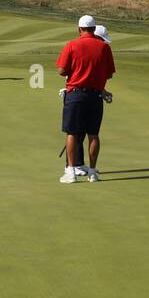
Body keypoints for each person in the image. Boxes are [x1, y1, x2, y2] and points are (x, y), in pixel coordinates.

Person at [56, 14, 116, 183]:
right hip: (95, 96)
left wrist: (77, 72)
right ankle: (92, 173)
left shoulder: (72, 45)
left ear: (79, 29)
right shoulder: (104, 48)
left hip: (75, 95)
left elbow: (61, 70)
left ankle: (71, 172)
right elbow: (109, 74)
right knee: (93, 135)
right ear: (93, 29)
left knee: (72, 133)